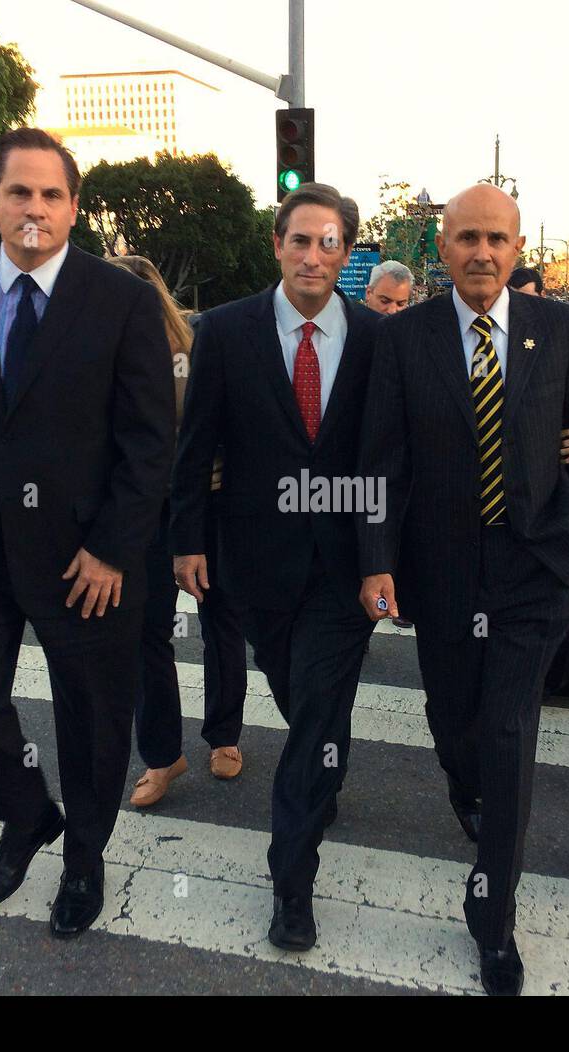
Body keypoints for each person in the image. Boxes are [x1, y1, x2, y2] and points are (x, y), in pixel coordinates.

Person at [0, 128, 176, 938]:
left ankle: (83, 858)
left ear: (74, 208)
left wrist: (116, 547)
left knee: (90, 722)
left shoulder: (119, 299)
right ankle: (25, 815)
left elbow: (151, 438)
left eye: (52, 195)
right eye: (20, 192)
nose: (35, 209)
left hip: (85, 557)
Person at [358, 183, 569, 996]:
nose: (482, 253)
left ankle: (493, 918)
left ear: (516, 244)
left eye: (496, 239)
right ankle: (465, 787)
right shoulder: (407, 340)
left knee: (508, 736)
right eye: (466, 238)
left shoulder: (563, 328)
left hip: (533, 573)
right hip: (441, 573)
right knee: (451, 719)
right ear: (443, 247)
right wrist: (377, 559)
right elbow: (382, 461)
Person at [171, 183, 380, 954]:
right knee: (299, 697)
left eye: (330, 244)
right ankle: (325, 765)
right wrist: (185, 540)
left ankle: (292, 884)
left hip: (345, 568)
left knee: (316, 713)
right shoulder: (223, 332)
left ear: (346, 256)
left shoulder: (375, 338)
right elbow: (196, 448)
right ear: (277, 246)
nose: (314, 256)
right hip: (253, 560)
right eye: (301, 240)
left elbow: (390, 453)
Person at [109, 255, 248, 808]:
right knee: (146, 632)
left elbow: (233, 426)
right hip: (141, 512)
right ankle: (163, 756)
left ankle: (225, 735)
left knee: (221, 621)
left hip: (207, 506)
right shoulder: (99, 352)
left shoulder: (195, 345)